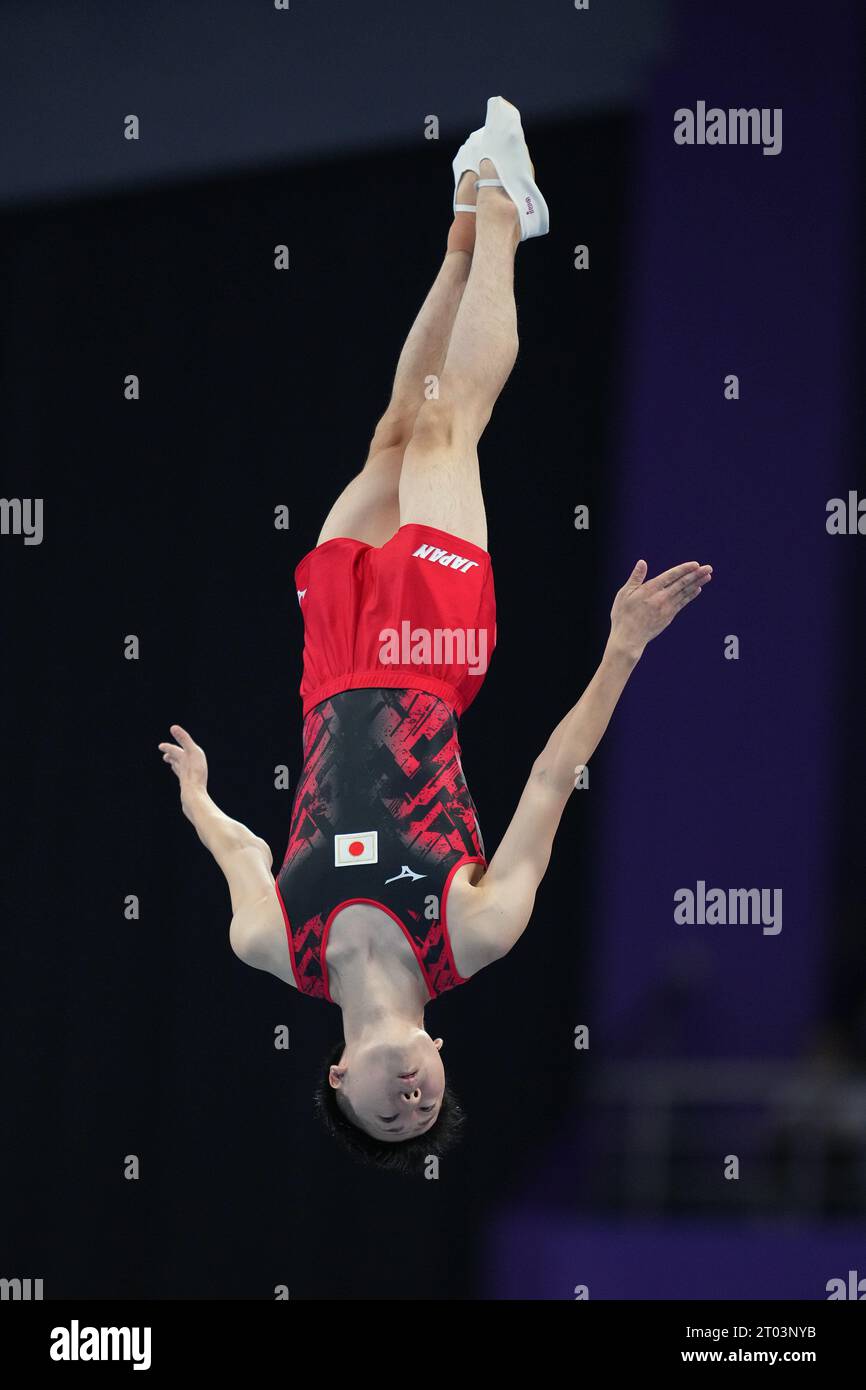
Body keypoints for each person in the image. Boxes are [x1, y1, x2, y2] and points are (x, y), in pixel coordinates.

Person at [159, 97, 712, 1171]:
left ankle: (464, 227)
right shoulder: (474, 932)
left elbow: (236, 847)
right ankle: (506, 204)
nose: (408, 1099)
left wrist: (196, 796)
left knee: (395, 431)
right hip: (430, 657)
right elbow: (551, 781)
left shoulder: (275, 942)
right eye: (423, 1109)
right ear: (443, 1056)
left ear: (337, 1075)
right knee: (452, 425)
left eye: (385, 1111)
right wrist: (622, 647)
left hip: (329, 666)